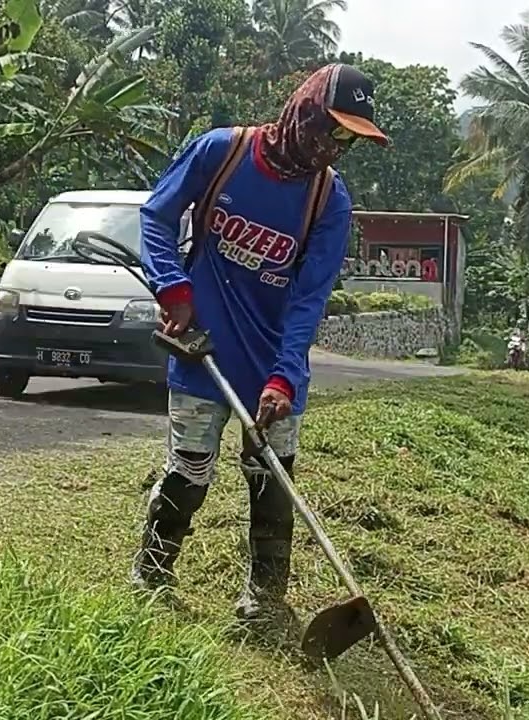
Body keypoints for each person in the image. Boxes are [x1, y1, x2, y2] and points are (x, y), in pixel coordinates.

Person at [132, 63, 389, 621]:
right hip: (201, 350)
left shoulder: (328, 200)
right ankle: (151, 573)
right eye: (333, 129)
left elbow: (309, 299)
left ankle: (265, 601)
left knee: (272, 478)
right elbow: (156, 216)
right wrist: (173, 288)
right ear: (306, 111)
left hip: (273, 361)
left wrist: (285, 376)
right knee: (189, 470)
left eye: (349, 140)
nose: (334, 147)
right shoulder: (222, 152)